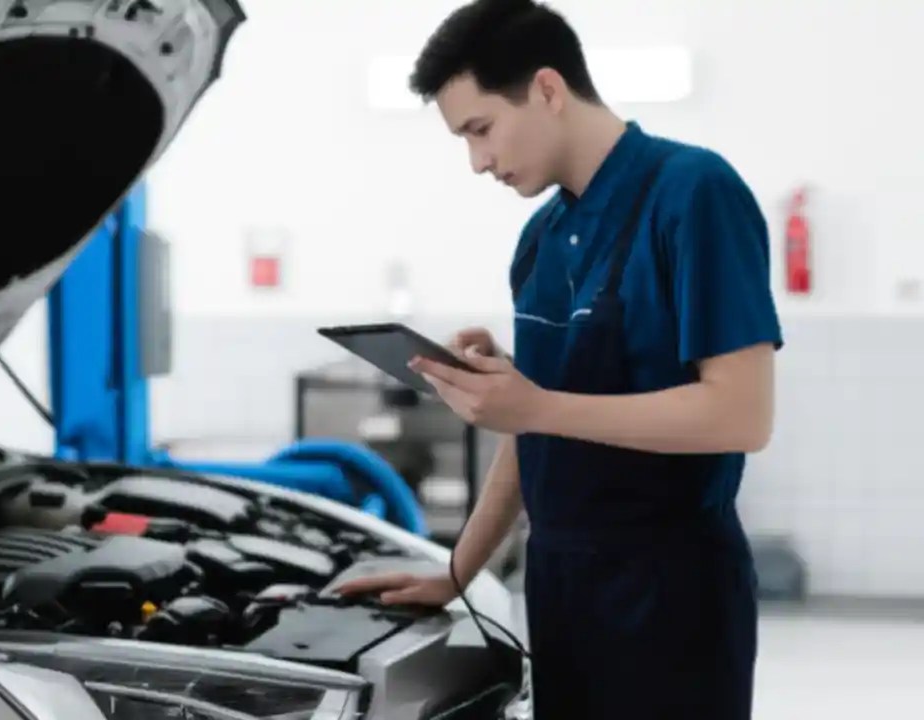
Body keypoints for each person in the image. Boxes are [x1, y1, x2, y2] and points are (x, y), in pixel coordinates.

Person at [335, 1, 783, 718]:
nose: (477, 162)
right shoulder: (540, 239)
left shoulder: (693, 192)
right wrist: (457, 569)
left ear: (546, 89)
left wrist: (535, 403)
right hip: (560, 584)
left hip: (671, 593)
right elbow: (533, 432)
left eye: (480, 130)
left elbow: (741, 413)